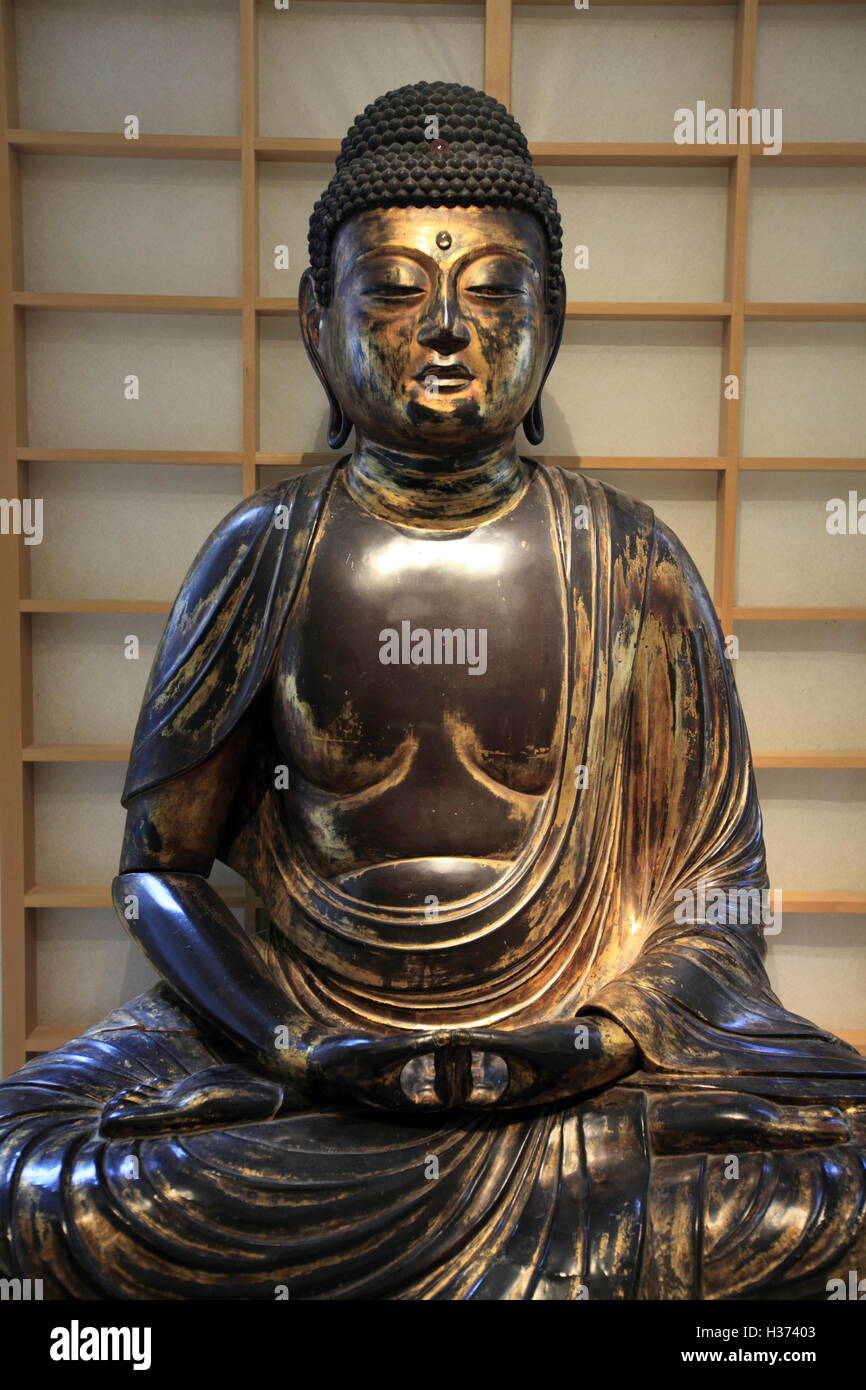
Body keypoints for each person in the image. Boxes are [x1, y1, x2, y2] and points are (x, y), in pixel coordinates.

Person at [1, 81, 865, 1301]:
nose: (447, 325)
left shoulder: (629, 561)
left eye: (492, 288)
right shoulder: (265, 550)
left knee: (840, 1176)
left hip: (581, 1064)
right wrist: (300, 1043)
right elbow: (161, 869)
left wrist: (592, 1039)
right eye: (396, 288)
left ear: (550, 318)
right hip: (314, 1053)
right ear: (317, 320)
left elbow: (714, 895)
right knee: (30, 1174)